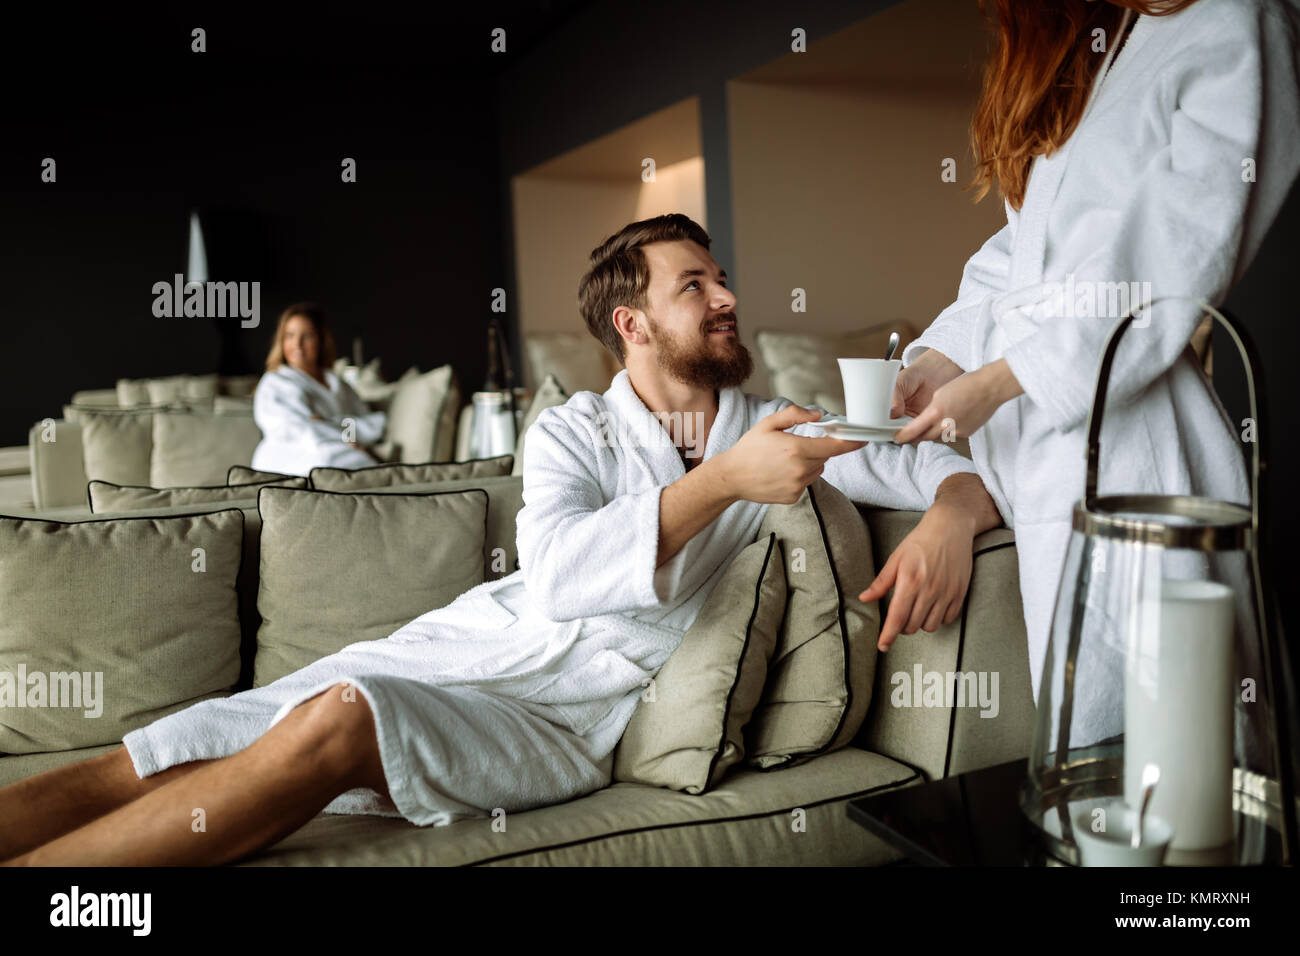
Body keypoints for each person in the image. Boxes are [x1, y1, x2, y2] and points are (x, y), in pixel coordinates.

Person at [0, 214, 1000, 866]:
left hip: (560, 721)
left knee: (342, 715)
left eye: (721, 277)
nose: (728, 296)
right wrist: (722, 485)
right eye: (695, 283)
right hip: (471, 642)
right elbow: (560, 571)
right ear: (634, 323)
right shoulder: (571, 427)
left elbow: (918, 458)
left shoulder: (770, 425)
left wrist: (953, 510)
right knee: (165, 745)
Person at [889, 0, 1300, 739]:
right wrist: (941, 356)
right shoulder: (1096, 51)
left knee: (1180, 735)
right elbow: (1021, 256)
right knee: (1086, 729)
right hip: (1042, 448)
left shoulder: (1236, 18)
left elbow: (1182, 249)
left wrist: (1003, 379)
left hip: (1137, 434)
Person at [249, 303, 386, 476]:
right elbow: (297, 429)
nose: (297, 344)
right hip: (290, 457)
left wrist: (328, 424)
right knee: (332, 463)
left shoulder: (337, 383)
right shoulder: (275, 382)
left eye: (307, 336)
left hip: (341, 449)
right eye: (289, 336)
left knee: (360, 464)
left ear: (321, 340)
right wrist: (345, 433)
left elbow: (372, 423)